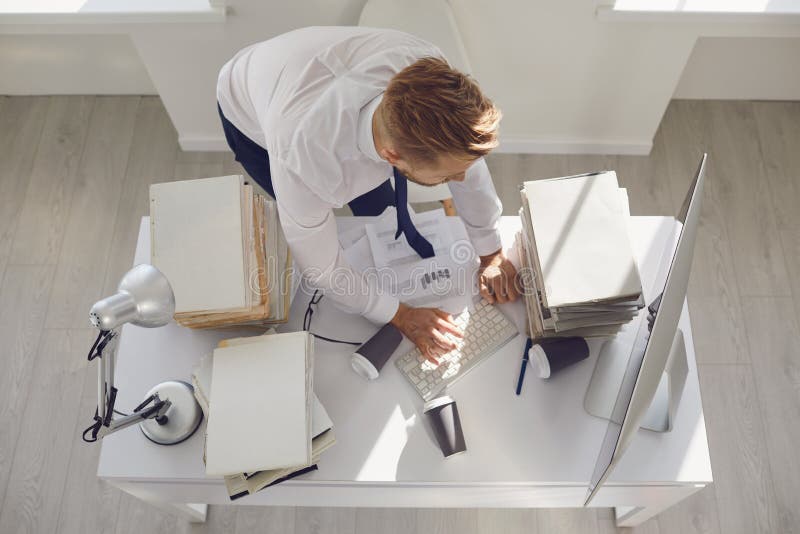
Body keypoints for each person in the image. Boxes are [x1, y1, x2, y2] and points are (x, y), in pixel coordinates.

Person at [217, 26, 518, 362]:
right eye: (449, 175)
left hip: (301, 70)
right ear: (392, 156)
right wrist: (399, 314)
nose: (461, 178)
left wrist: (491, 251)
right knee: (313, 218)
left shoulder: (430, 70)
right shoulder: (303, 162)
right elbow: (324, 269)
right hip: (248, 106)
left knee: (380, 214)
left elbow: (468, 166)